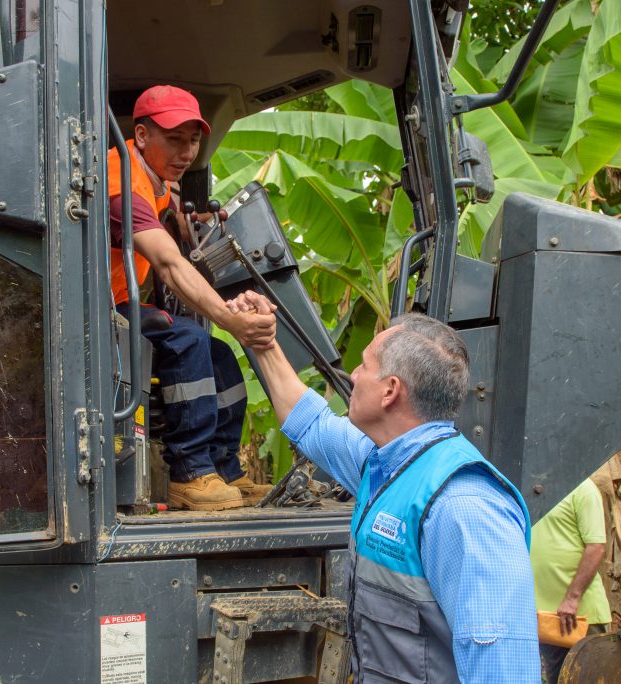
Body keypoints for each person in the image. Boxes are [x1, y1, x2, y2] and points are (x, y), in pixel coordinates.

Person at [234, 295, 539, 683]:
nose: (354, 375)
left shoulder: (463, 505)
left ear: (390, 390)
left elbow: (502, 669)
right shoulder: (383, 465)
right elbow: (311, 424)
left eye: (363, 366)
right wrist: (264, 343)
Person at [108, 85, 275, 511]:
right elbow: (166, 264)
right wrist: (229, 316)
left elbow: (165, 202)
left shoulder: (152, 179)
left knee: (218, 354)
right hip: (97, 310)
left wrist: (183, 217)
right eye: (175, 140)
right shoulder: (118, 179)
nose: (186, 153)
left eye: (193, 140)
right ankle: (189, 472)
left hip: (125, 306)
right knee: (189, 338)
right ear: (142, 136)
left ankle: (224, 469)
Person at [530, 478, 609, 684]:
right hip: (548, 618)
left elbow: (596, 547)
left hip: (579, 615)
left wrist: (572, 598)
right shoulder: (533, 491)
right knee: (558, 678)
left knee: (588, 678)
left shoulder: (583, 489)